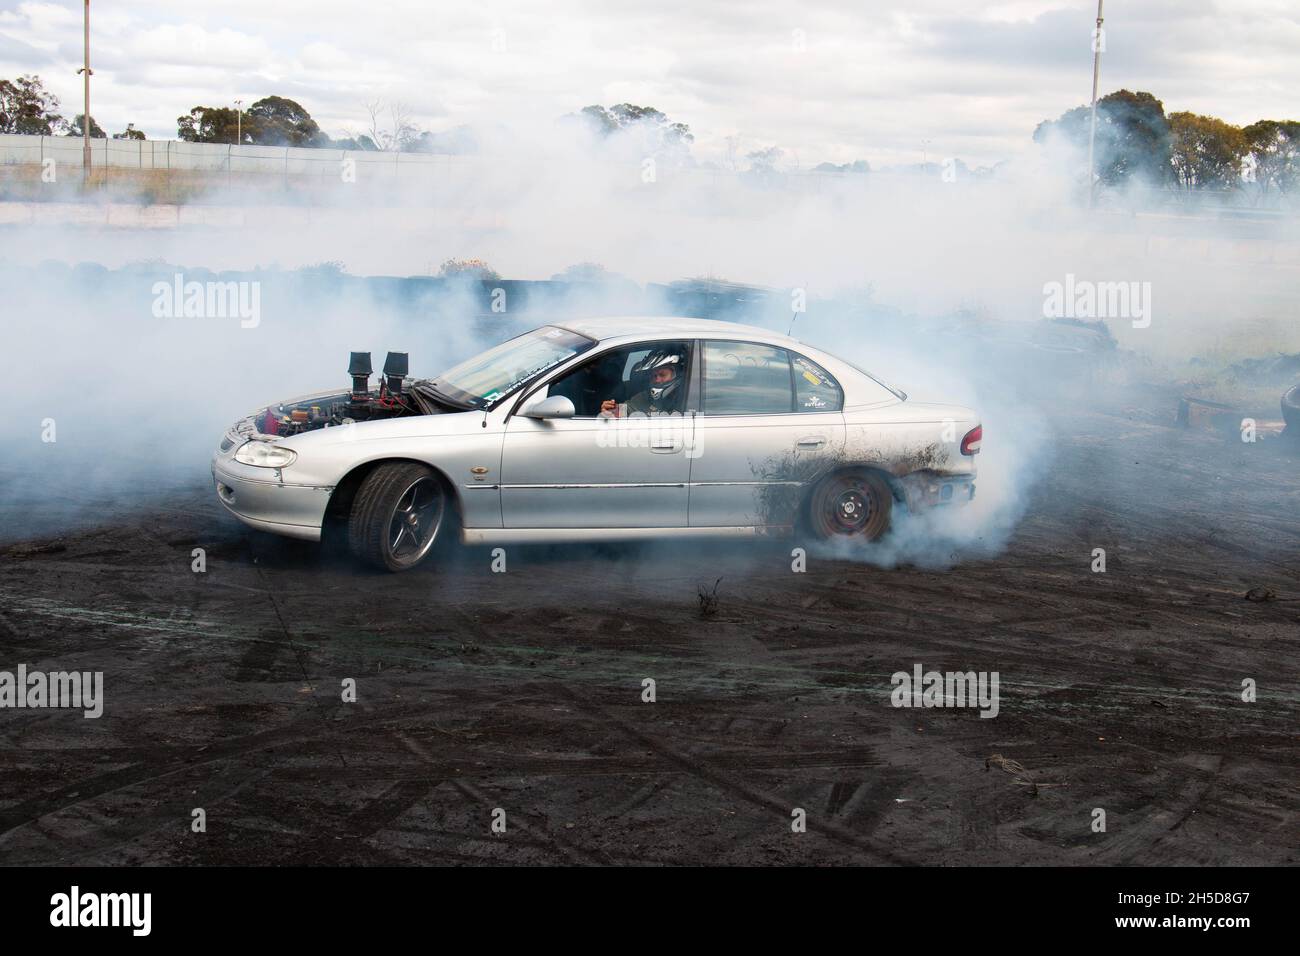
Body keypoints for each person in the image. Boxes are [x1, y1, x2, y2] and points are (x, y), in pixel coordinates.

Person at [600, 349, 684, 417]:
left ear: (676, 375)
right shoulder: (644, 397)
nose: (657, 380)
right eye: (653, 375)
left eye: (662, 374)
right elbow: (625, 410)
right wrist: (611, 410)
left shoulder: (687, 396)